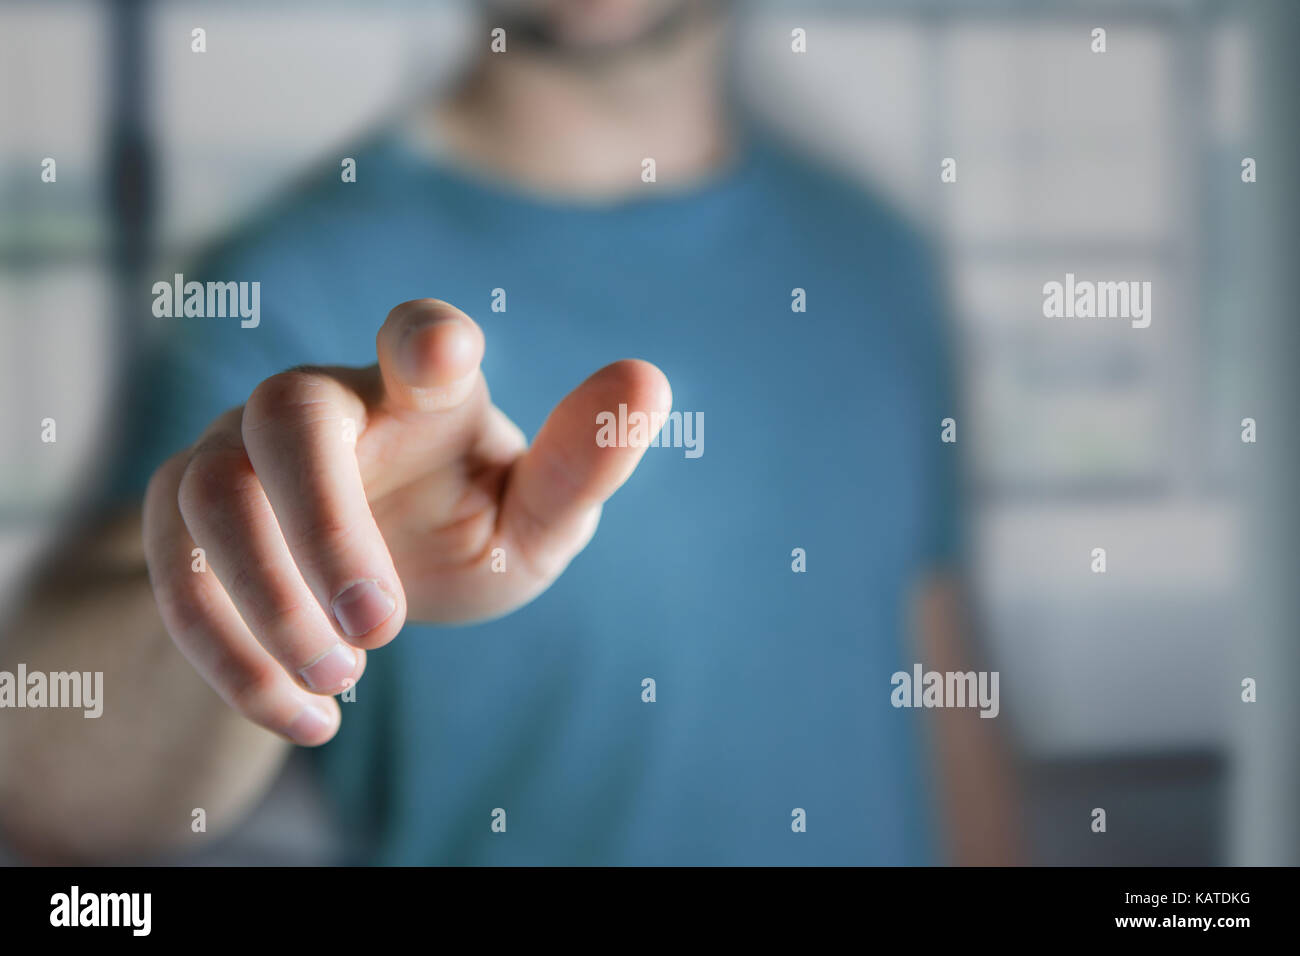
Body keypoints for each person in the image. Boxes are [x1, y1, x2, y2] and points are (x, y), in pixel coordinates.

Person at [0, 0, 1021, 864]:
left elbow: (932, 666)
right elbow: (39, 769)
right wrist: (259, 586)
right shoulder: (281, 285)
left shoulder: (871, 260)